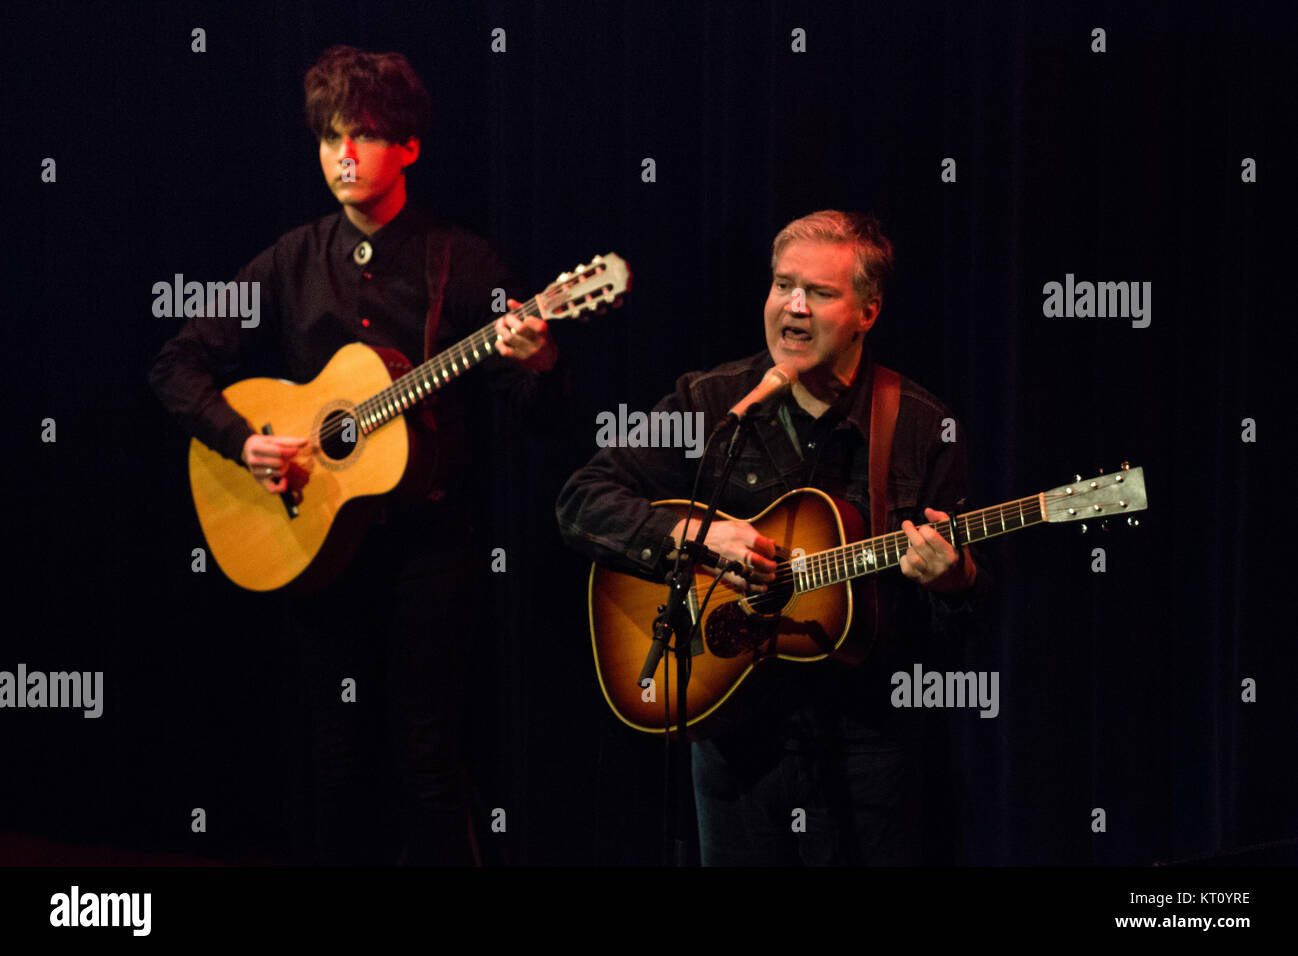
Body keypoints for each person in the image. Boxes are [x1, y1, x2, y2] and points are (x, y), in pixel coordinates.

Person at [150, 45, 557, 865]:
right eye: (331, 136)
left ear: (407, 146)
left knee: (427, 756)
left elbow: (544, 416)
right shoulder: (290, 259)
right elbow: (174, 364)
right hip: (317, 543)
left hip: (429, 555)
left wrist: (535, 358)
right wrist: (245, 439)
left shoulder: (466, 262)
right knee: (336, 755)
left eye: (365, 135)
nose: (343, 154)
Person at [556, 210, 990, 865]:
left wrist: (955, 582)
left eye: (819, 292)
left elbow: (969, 622)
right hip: (737, 741)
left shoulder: (925, 427)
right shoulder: (712, 403)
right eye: (782, 285)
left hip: (871, 746)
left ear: (867, 313)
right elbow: (581, 500)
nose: (793, 307)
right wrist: (696, 540)